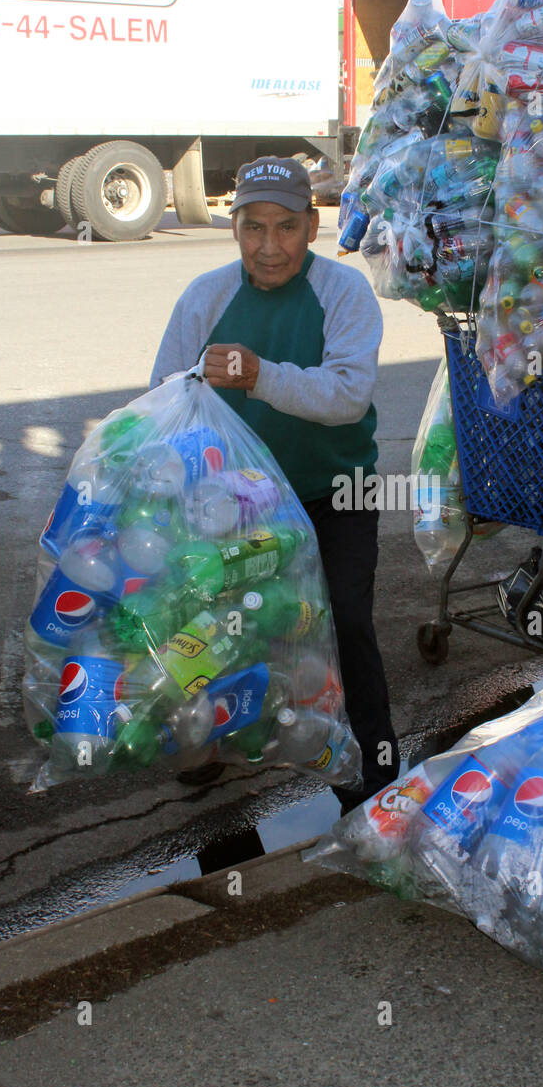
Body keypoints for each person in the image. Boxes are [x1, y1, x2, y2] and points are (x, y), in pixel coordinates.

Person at [150, 156, 399, 810]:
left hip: (336, 491)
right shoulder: (205, 297)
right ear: (233, 229)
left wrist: (259, 375)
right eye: (253, 228)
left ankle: (376, 780)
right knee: (220, 622)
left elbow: (348, 395)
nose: (268, 246)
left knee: (345, 621)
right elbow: (165, 393)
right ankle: (207, 739)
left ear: (312, 226)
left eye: (285, 228)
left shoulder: (344, 293)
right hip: (237, 506)